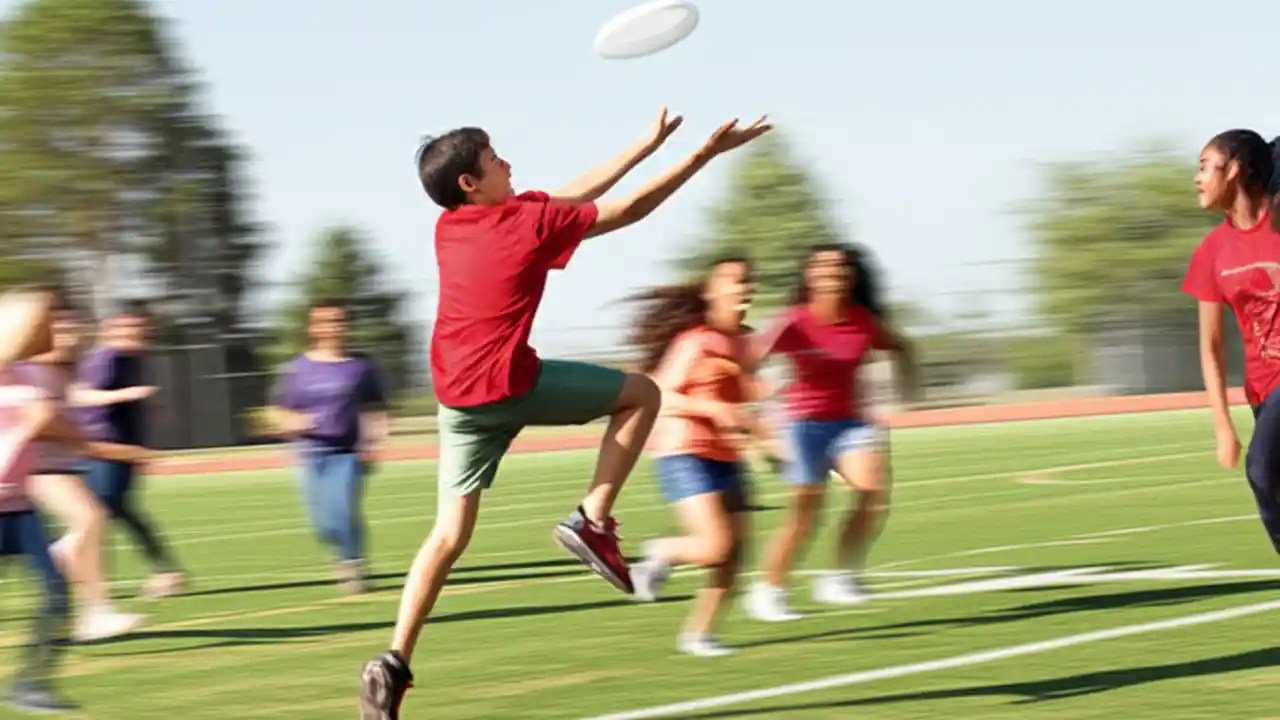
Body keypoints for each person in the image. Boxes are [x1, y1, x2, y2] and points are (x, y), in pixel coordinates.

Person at [358, 107, 773, 719]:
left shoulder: (451, 227)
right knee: (643, 394)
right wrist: (701, 155)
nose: (508, 163)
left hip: (456, 397)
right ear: (470, 182)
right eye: (494, 158)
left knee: (448, 535)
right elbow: (627, 210)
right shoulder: (527, 224)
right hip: (509, 385)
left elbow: (569, 195)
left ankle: (393, 661)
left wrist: (644, 142)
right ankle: (590, 519)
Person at [744, 243, 917, 622]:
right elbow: (745, 361)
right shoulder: (792, 321)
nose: (833, 274)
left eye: (840, 268)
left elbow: (902, 346)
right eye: (823, 268)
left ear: (850, 276)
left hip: (850, 423)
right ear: (810, 276)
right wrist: (757, 411)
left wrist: (906, 392)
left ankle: (839, 578)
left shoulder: (862, 320)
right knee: (805, 516)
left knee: (872, 494)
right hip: (801, 424)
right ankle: (768, 590)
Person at [626, 256, 764, 657]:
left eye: (747, 281)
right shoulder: (695, 341)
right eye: (733, 281)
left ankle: (698, 635)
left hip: (728, 456)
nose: (743, 288)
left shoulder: (748, 342)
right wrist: (714, 411)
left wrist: (762, 433)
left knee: (734, 556)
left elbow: (742, 399)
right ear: (711, 291)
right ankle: (661, 551)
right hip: (684, 452)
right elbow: (660, 394)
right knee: (715, 546)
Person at [16, 293, 147, 641]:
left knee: (90, 521)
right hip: (31, 466)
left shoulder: (63, 369)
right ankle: (91, 608)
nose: (70, 335)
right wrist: (96, 446)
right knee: (90, 519)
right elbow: (42, 421)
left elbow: (77, 399)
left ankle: (88, 602)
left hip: (52, 463)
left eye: (73, 328)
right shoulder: (28, 369)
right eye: (60, 328)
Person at [1182, 129, 1280, 553]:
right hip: (1261, 393)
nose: (1197, 178)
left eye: (1205, 166)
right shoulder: (1211, 252)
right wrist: (1222, 424)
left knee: (1261, 468)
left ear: (1234, 169)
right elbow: (1211, 347)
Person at [268, 298, 389, 594]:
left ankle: (352, 565)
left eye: (338, 320)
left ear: (346, 325)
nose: (332, 327)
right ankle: (342, 552)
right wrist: (292, 422)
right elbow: (277, 410)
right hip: (310, 452)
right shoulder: (300, 368)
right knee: (321, 523)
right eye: (324, 321)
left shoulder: (361, 366)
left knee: (342, 507)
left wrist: (375, 442)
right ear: (313, 327)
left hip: (347, 451)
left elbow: (376, 408)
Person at [76, 301, 184, 599]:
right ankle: (164, 571)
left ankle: (161, 572)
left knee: (104, 512)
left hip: (119, 450)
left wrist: (143, 439)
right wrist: (127, 394)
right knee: (108, 511)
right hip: (101, 448)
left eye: (139, 329)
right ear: (109, 328)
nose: (135, 334)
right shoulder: (105, 358)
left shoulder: (132, 358)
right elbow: (81, 396)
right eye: (127, 328)